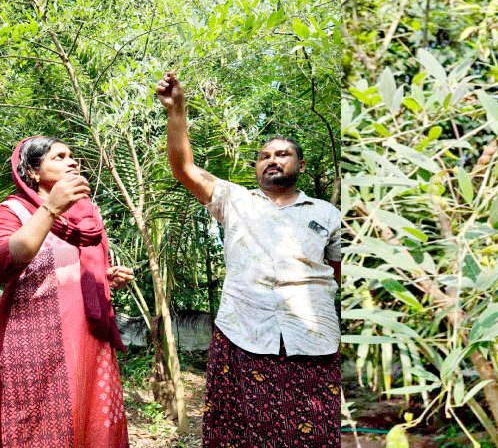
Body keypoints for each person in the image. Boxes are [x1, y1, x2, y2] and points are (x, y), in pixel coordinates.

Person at [156, 72, 341, 447]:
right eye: (264, 156)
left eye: (282, 154)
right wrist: (178, 111)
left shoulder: (328, 213)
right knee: (241, 436)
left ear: (300, 166)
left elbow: (338, 271)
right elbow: (184, 169)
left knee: (314, 432)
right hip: (243, 333)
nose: (272, 160)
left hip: (312, 338)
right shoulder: (233, 200)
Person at [0, 136, 134, 447]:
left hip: (88, 339)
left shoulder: (86, 218)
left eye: (72, 156)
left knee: (91, 422)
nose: (72, 161)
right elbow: (8, 259)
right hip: (35, 341)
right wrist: (51, 207)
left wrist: (104, 277)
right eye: (59, 157)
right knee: (36, 423)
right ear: (32, 172)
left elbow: (72, 268)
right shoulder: (12, 211)